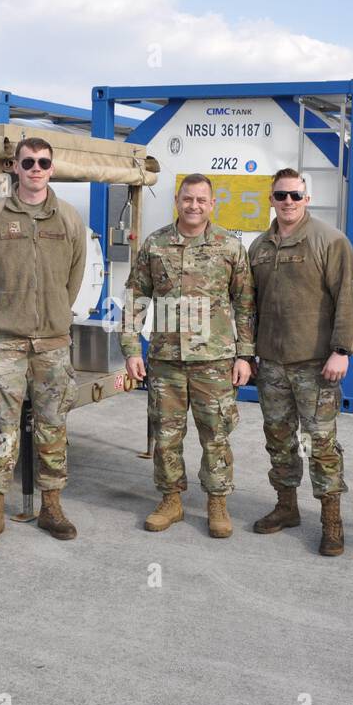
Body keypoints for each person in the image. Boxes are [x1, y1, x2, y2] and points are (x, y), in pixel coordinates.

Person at [0, 137, 86, 546]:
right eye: (28, 161)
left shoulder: (68, 218)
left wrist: (53, 314)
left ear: (52, 168)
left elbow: (74, 276)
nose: (36, 168)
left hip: (52, 343)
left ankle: (51, 507)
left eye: (43, 162)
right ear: (14, 166)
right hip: (5, 343)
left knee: (53, 426)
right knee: (2, 428)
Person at [121, 174, 255, 538]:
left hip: (214, 360)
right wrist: (132, 348)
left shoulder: (229, 246)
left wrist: (245, 356)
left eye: (201, 200)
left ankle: (217, 503)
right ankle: (170, 500)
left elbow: (244, 304)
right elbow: (136, 296)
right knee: (167, 435)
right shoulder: (156, 243)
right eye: (187, 199)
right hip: (166, 359)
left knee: (216, 435)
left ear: (212, 204)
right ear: (177, 201)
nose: (193, 206)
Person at [247, 168, 353, 556]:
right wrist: (248, 354)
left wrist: (342, 349)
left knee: (320, 444)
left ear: (307, 198)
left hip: (316, 364)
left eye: (296, 195)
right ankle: (286, 506)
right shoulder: (260, 247)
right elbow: (249, 306)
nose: (288, 202)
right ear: (271, 199)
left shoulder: (329, 241)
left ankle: (332, 521)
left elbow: (350, 296)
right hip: (273, 365)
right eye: (281, 195)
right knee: (278, 440)